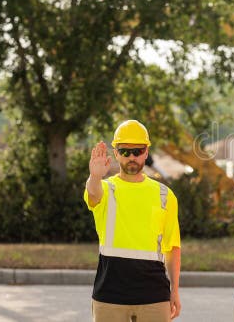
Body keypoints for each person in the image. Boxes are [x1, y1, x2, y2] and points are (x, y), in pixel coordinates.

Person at [85, 120, 182, 321]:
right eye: (125, 151)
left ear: (146, 152)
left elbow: (172, 247)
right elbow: (93, 194)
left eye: (137, 151)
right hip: (110, 295)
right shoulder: (104, 188)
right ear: (116, 153)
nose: (132, 157)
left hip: (154, 296)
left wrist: (174, 291)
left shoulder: (165, 195)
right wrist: (94, 177)